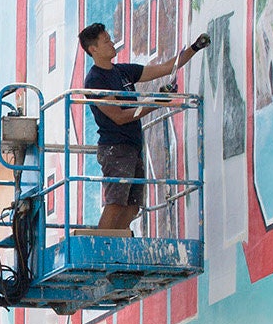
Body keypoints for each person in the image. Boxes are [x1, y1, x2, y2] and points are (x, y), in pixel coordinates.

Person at [78, 21, 209, 234]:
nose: (112, 43)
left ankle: (117, 245)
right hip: (115, 149)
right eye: (106, 40)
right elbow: (118, 117)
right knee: (116, 203)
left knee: (132, 206)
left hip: (133, 147)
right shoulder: (95, 79)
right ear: (93, 49)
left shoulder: (122, 72)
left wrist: (195, 47)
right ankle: (101, 247)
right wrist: (156, 102)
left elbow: (166, 67)